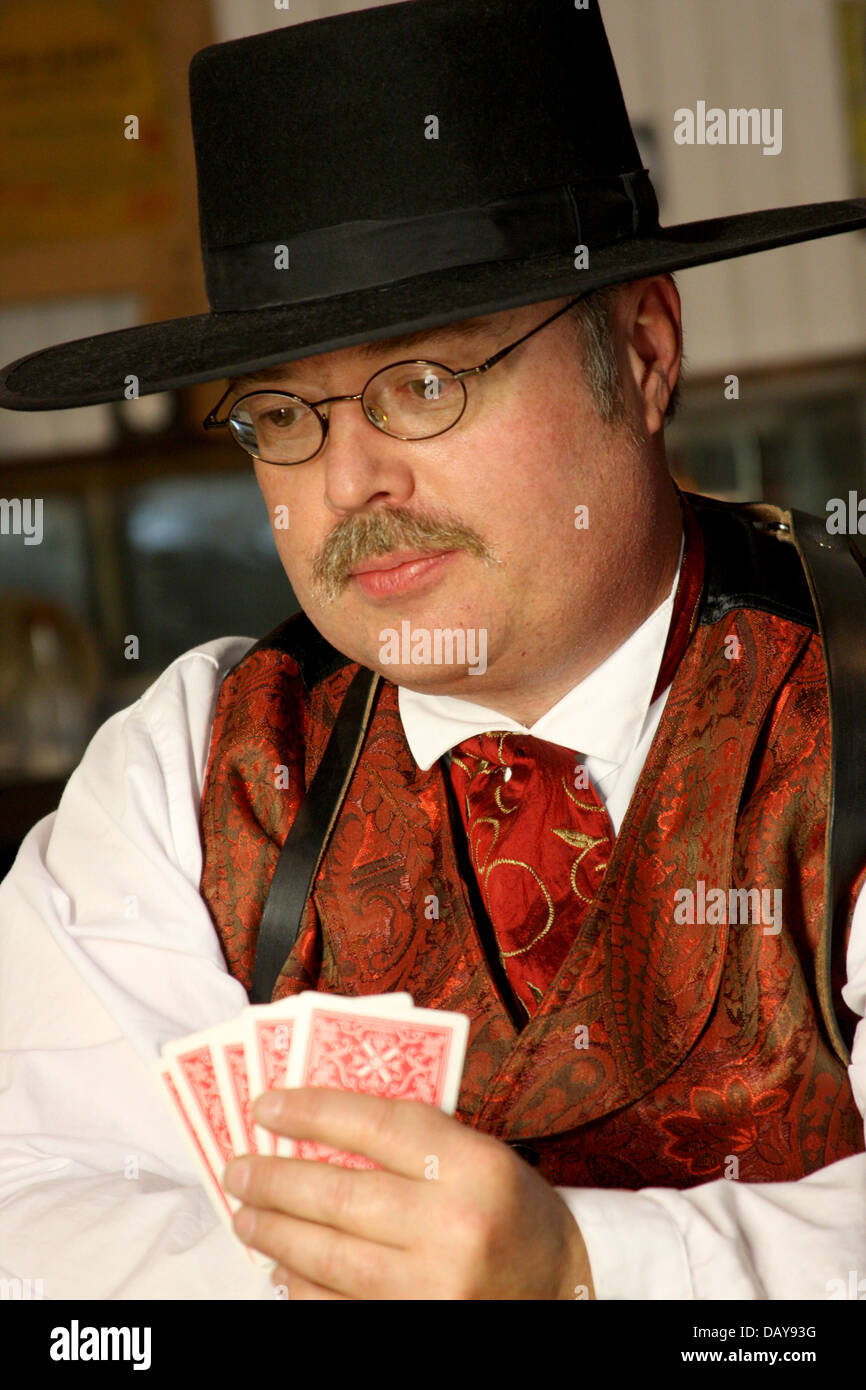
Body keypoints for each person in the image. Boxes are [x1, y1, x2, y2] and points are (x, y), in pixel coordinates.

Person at [0, 0, 864, 1302]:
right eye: (286, 410)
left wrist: (579, 1269)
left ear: (639, 352)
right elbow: (24, 1199)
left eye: (422, 382)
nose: (350, 477)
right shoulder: (194, 767)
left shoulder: (844, 719)